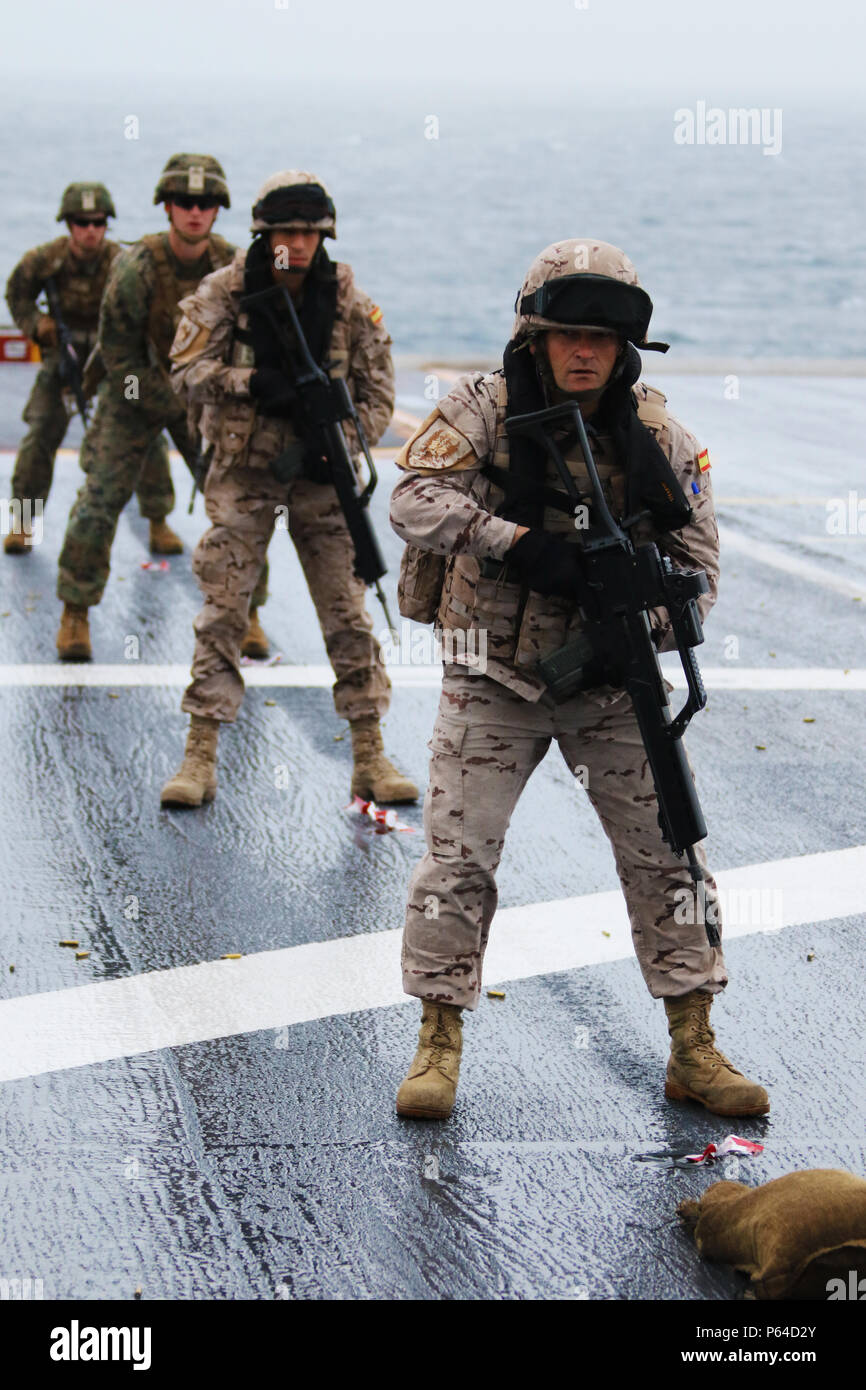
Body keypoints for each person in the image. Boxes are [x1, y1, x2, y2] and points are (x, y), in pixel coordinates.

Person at [389, 238, 770, 1122]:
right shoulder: (481, 409)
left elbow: (699, 576)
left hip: (609, 686)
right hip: (495, 678)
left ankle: (694, 1043)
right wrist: (520, 546)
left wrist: (636, 614)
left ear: (625, 344)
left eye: (600, 335)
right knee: (457, 861)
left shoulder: (659, 438)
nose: (585, 351)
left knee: (669, 854)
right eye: (567, 334)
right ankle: (437, 1043)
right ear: (535, 336)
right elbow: (412, 500)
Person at [159, 170, 417, 808]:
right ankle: (200, 756)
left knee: (347, 616)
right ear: (263, 233)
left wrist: (339, 446)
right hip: (244, 475)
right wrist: (252, 385)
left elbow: (377, 395)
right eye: (285, 232)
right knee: (223, 611)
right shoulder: (227, 290)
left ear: (322, 235)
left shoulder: (349, 300)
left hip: (321, 479)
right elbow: (186, 373)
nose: (296, 244)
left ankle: (369, 753)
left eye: (308, 232)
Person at [54, 154, 265, 661]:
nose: (195, 212)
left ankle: (249, 611)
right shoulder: (136, 266)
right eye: (186, 202)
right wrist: (157, 397)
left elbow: (251, 342)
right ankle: (75, 610)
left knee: (237, 504)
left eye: (206, 203)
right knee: (100, 499)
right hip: (134, 392)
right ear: (168, 207)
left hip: (203, 397)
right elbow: (116, 350)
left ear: (218, 210)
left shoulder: (237, 268)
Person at [3, 182, 174, 556]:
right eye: (82, 222)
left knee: (147, 427)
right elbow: (17, 293)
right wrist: (38, 326)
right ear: (68, 224)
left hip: (115, 360)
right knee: (41, 432)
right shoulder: (44, 261)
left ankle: (158, 520)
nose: (90, 230)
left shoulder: (125, 261)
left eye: (98, 222)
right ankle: (22, 521)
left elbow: (151, 307)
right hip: (64, 359)